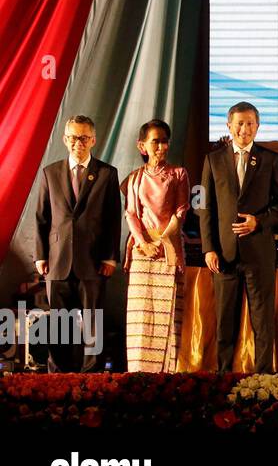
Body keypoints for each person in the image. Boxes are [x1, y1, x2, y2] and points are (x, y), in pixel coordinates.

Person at [199, 102, 278, 373]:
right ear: (228, 126)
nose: (244, 129)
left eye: (250, 123)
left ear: (258, 127)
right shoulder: (213, 160)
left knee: (262, 322)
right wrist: (208, 248)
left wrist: (258, 221)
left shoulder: (271, 160)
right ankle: (223, 376)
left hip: (259, 254)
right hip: (224, 255)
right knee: (225, 323)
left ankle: (264, 376)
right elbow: (204, 206)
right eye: (239, 123)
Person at [34, 115, 120, 372]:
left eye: (83, 138)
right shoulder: (50, 172)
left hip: (93, 261)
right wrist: (40, 256)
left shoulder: (107, 174)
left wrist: (109, 257)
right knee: (59, 326)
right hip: (57, 261)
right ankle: (59, 379)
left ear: (93, 140)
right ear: (65, 139)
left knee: (94, 325)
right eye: (72, 137)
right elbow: (42, 216)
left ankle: (91, 380)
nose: (77, 143)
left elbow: (113, 218)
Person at [121, 119, 190, 373]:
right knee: (141, 315)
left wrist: (163, 240)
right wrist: (143, 242)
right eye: (155, 141)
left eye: (164, 141)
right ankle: (139, 372)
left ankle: (167, 373)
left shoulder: (178, 173)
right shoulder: (135, 178)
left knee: (167, 315)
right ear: (142, 146)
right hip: (142, 250)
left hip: (168, 248)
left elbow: (182, 210)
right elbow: (131, 213)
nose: (161, 146)